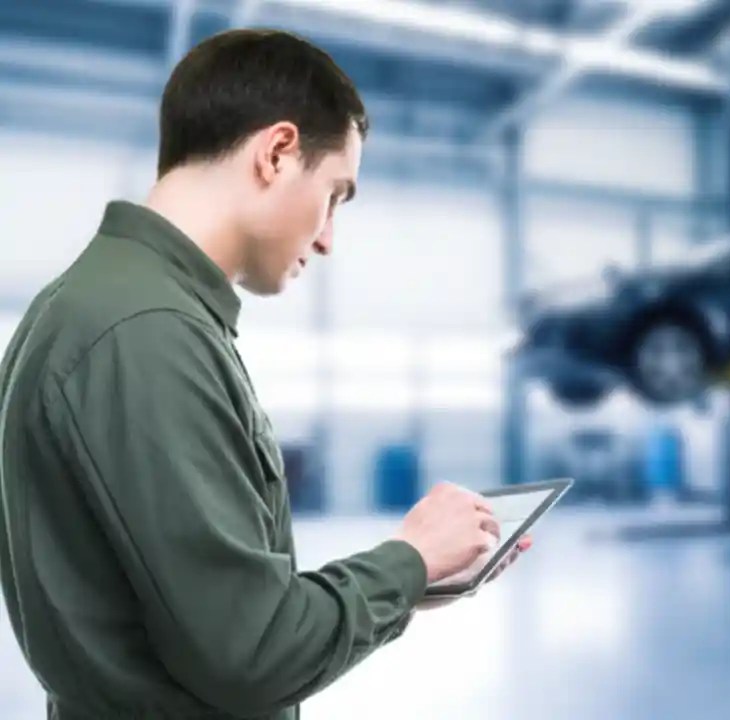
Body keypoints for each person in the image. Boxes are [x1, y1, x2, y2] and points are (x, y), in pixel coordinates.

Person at [0, 28, 529, 720]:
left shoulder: (115, 308)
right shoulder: (145, 333)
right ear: (277, 152)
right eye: (337, 194)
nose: (328, 238)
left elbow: (211, 612)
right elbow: (254, 656)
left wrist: (417, 581)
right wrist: (407, 559)